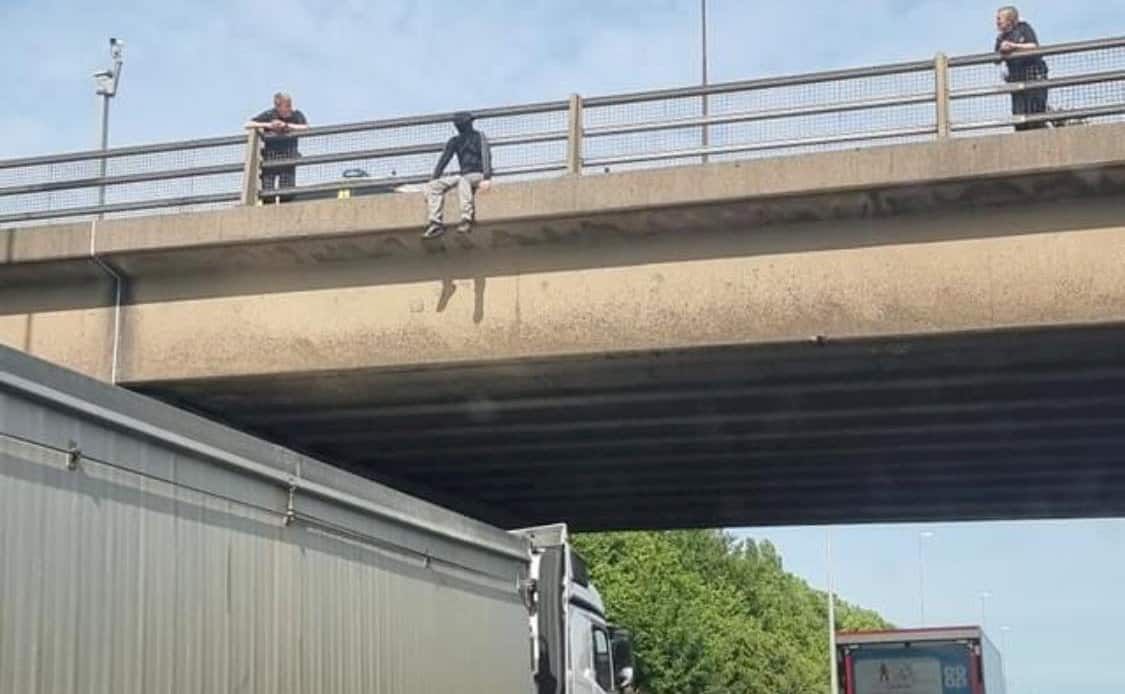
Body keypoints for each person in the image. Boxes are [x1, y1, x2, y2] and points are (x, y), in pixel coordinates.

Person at [422, 112, 492, 239]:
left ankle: (466, 219)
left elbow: (486, 155)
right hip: (463, 176)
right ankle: (435, 223)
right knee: (433, 186)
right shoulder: (455, 141)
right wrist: (434, 179)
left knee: (463, 180)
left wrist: (487, 177)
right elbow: (444, 159)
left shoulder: (479, 136)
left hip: (478, 174)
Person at [244, 92, 309, 201]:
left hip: (289, 157)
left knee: (287, 191)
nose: (289, 108)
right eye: (286, 106)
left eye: (289, 105)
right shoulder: (270, 115)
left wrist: (287, 126)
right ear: (278, 107)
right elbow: (248, 124)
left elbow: (306, 127)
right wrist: (269, 125)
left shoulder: (296, 115)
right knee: (268, 190)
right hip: (270, 157)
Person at [995, 6, 1048, 131]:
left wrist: (1013, 46)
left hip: (1034, 76)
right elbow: (996, 60)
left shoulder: (1024, 28)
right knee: (1019, 115)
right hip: (1016, 81)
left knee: (1036, 113)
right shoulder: (1001, 38)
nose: (997, 22)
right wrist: (1001, 51)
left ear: (1010, 19)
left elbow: (1033, 46)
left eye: (999, 19)